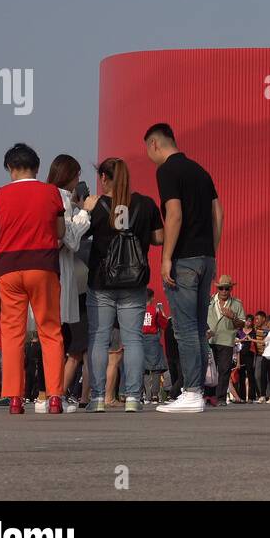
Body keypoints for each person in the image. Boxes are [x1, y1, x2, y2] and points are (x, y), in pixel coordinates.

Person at [0, 144, 69, 415]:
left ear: (10, 168)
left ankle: (15, 398)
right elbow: (60, 231)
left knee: (11, 333)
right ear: (37, 167)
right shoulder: (51, 192)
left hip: (9, 268)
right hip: (43, 266)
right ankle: (54, 396)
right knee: (50, 330)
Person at [146, 123, 223, 414]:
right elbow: (219, 212)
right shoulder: (201, 171)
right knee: (198, 329)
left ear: (155, 144)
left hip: (185, 260)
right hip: (205, 258)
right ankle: (198, 391)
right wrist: (210, 250)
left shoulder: (167, 171)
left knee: (186, 329)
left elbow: (173, 214)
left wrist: (166, 257)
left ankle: (192, 392)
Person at [84, 157, 164, 413]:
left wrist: (86, 209)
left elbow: (77, 237)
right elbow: (159, 237)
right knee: (133, 339)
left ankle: (97, 398)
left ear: (104, 178)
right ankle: (132, 397)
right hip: (134, 281)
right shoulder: (146, 204)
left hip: (101, 281)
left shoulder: (97, 207)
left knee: (99, 339)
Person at [46, 154, 93, 411]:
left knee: (50, 333)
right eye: (76, 175)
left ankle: (47, 393)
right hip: (60, 271)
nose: (78, 181)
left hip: (46, 268)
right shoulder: (60, 198)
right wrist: (84, 212)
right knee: (57, 335)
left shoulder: (44, 194)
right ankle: (54, 394)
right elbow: (70, 239)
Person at [206, 274, 244, 406]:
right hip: (210, 340)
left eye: (226, 288)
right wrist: (205, 331)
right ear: (217, 288)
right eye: (221, 288)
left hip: (226, 341)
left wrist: (233, 317)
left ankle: (221, 398)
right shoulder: (209, 301)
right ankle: (209, 396)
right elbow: (201, 318)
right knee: (209, 370)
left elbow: (242, 325)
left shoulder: (237, 304)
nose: (223, 291)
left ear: (231, 289)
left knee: (224, 369)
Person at [142, 289, 170, 404]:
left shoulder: (138, 310)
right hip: (153, 339)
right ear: (152, 298)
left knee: (141, 368)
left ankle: (142, 395)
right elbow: (164, 324)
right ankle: (154, 395)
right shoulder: (156, 310)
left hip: (140, 339)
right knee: (156, 368)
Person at [235, 314, 259, 403]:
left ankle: (251, 397)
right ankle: (242, 397)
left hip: (250, 354)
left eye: (250, 321)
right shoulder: (239, 331)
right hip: (240, 354)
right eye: (247, 320)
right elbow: (234, 341)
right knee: (241, 376)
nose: (249, 323)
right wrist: (242, 340)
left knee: (250, 375)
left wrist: (250, 339)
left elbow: (257, 344)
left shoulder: (253, 332)